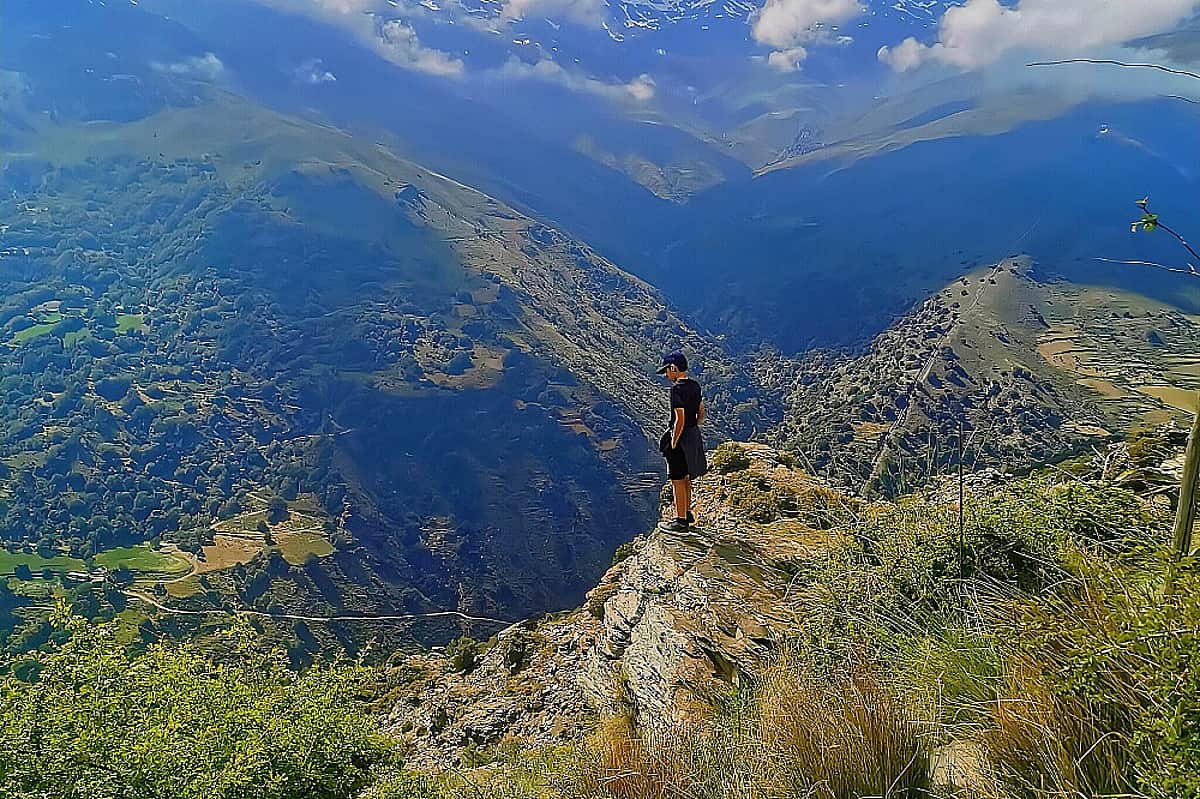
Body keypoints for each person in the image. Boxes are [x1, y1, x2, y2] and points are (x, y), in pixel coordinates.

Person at [656, 351, 707, 532]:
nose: (667, 375)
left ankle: (680, 521)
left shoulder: (676, 389)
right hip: (693, 435)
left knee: (677, 479)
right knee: (686, 478)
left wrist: (674, 442)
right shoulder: (695, 386)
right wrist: (695, 427)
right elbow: (701, 413)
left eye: (667, 371)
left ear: (673, 368)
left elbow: (680, 419)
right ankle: (687, 512)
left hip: (681, 437)